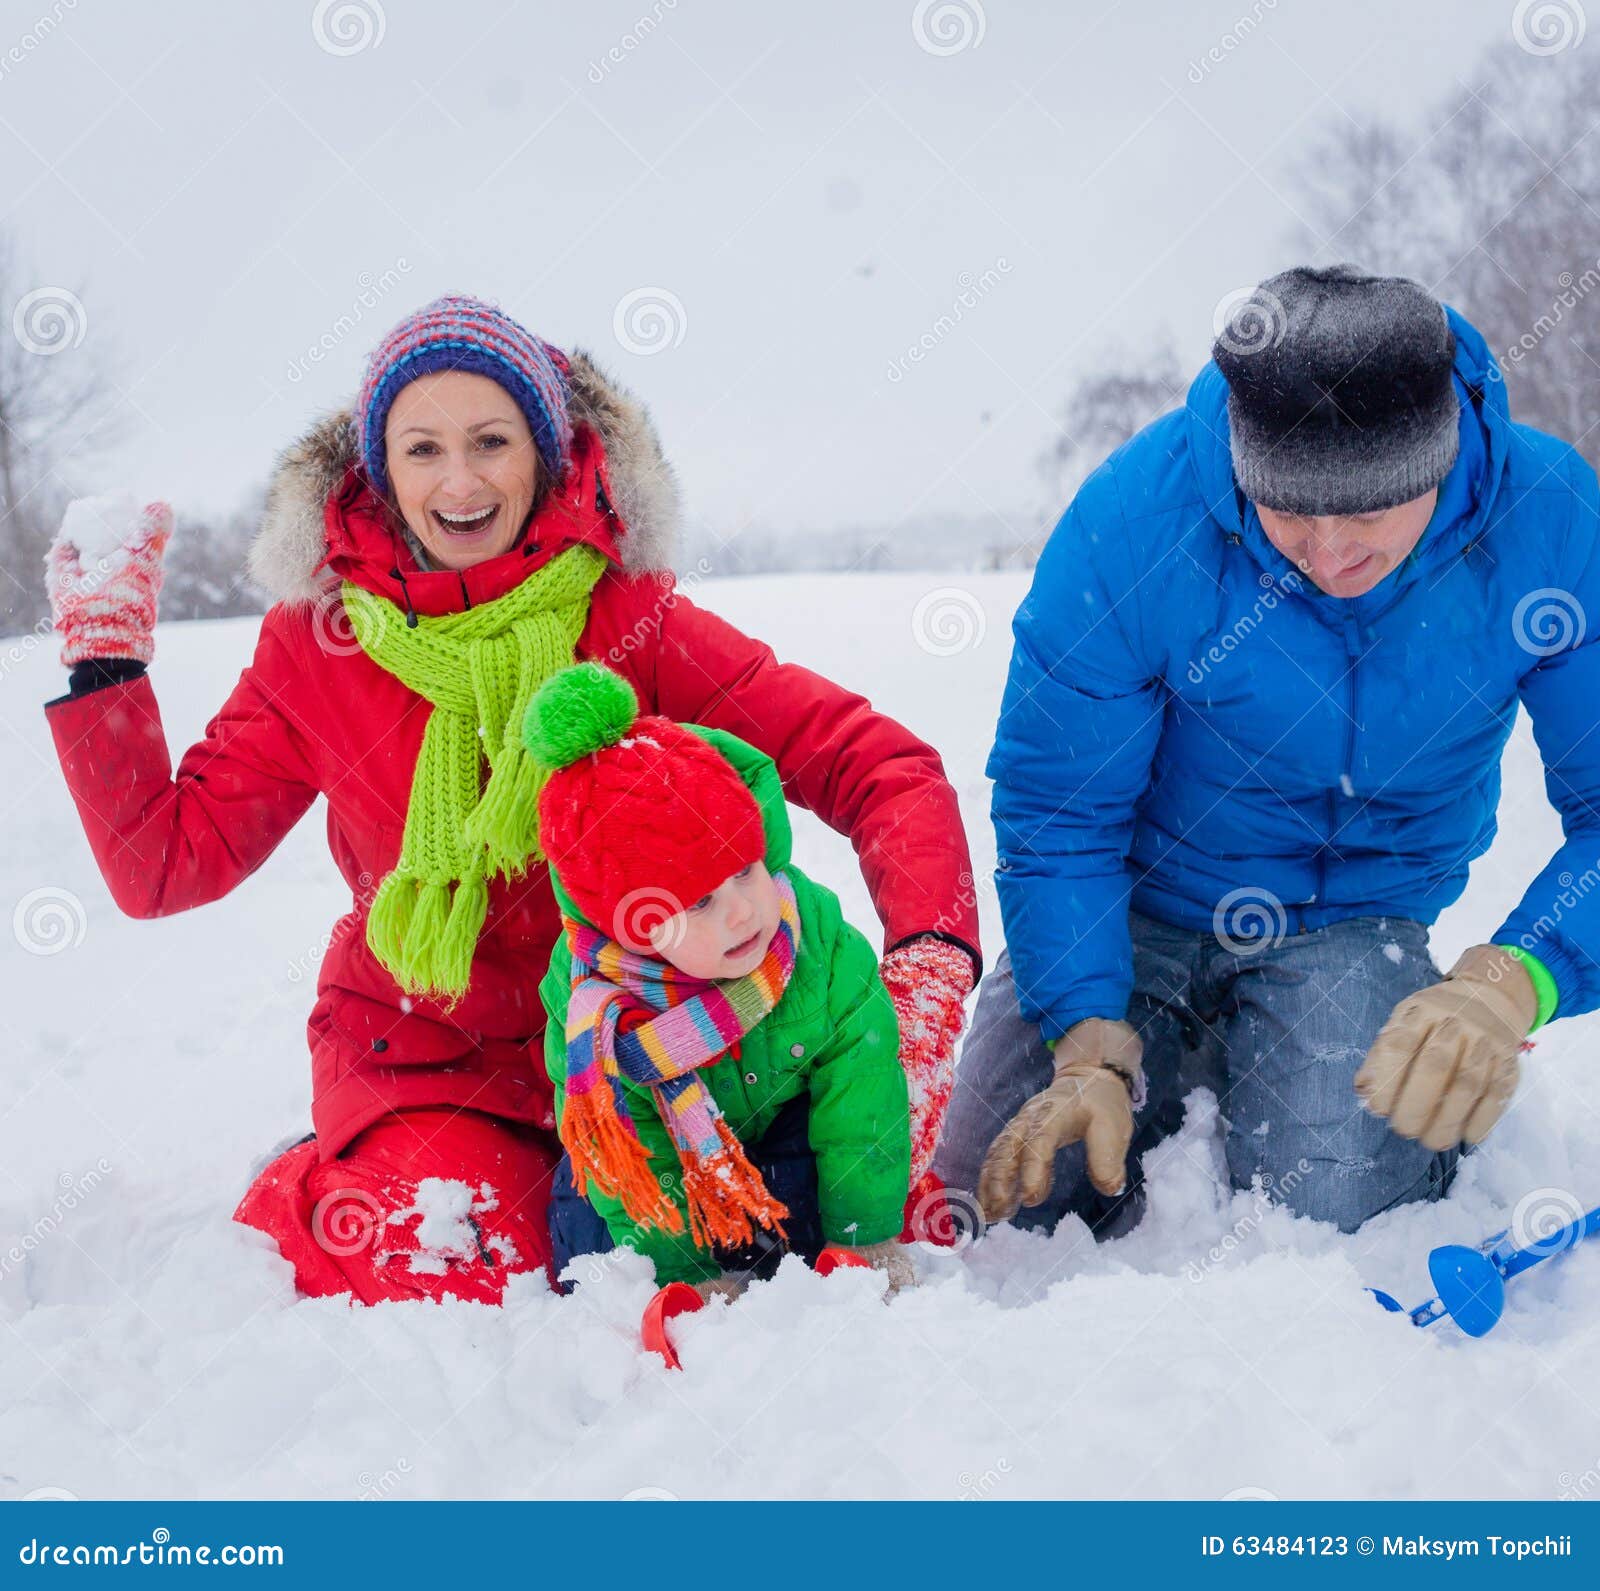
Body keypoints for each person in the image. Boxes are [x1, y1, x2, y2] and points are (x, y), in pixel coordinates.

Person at [43, 294, 980, 1304]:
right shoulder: (316, 644)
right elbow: (164, 863)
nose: (458, 481)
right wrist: (104, 666)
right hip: (429, 1051)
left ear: (543, 451)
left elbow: (877, 764)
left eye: (490, 441)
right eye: (421, 449)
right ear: (377, 470)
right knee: (487, 1258)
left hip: (654, 1047)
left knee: (800, 1220)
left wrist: (928, 968)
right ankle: (314, 1186)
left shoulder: (625, 619)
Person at [937, 264, 1599, 1238]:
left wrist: (1511, 982)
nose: (1328, 553)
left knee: (1329, 1202)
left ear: (1439, 458)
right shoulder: (1134, 522)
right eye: (1288, 511)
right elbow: (1059, 811)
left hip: (1351, 916)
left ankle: (1328, 1055)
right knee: (993, 1196)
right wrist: (1082, 1037)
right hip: (1140, 902)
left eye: (1368, 511)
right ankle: (1192, 1047)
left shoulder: (1547, 521)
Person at [528, 663, 913, 1297]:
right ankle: (650, 1281)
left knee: (801, 1199)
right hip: (657, 1181)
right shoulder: (597, 1012)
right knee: (587, 1219)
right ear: (634, 927)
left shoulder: (814, 942)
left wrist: (862, 1235)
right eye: (699, 902)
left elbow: (863, 1094)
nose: (742, 911)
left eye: (744, 871)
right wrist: (687, 1280)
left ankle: (792, 1257)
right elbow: (633, 1153)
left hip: (764, 1148)